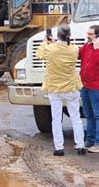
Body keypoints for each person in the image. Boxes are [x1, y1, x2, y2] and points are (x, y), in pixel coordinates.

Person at [36, 24, 85, 156]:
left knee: (56, 119)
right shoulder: (74, 50)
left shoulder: (50, 49)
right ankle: (80, 145)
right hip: (71, 87)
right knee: (76, 117)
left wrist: (45, 42)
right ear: (69, 35)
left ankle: (59, 148)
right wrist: (55, 43)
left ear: (57, 35)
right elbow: (65, 48)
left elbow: (39, 54)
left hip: (55, 88)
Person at [79, 25, 99, 153]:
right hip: (85, 86)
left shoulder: (97, 50)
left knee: (97, 114)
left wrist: (97, 49)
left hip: (96, 87)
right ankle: (90, 140)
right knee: (89, 114)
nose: (88, 35)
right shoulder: (87, 47)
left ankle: (98, 143)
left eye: (91, 34)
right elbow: (75, 53)